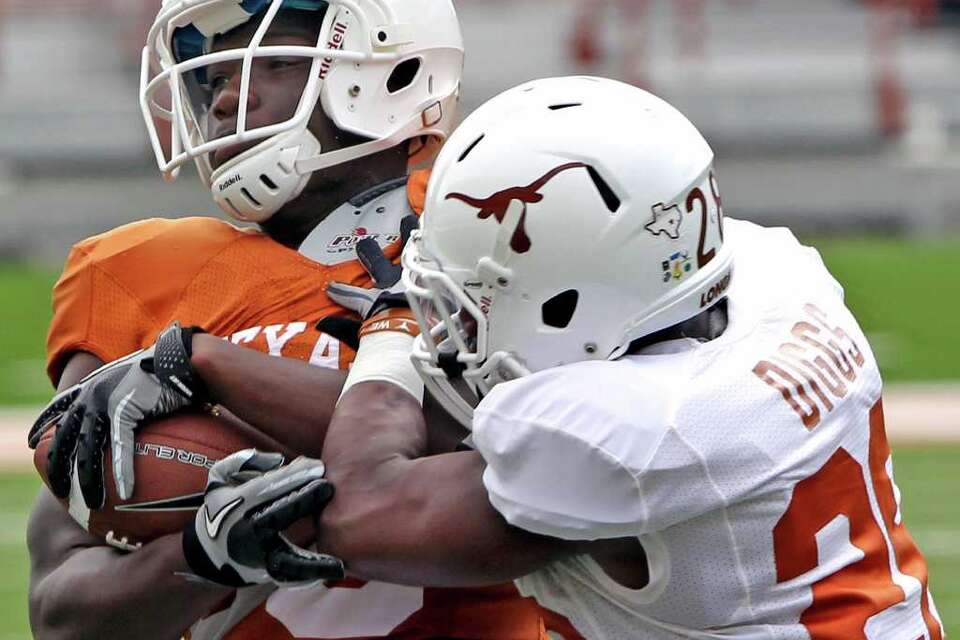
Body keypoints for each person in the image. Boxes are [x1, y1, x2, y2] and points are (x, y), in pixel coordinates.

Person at [189, 76, 946, 638]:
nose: (441, 321)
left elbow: (363, 509)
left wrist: (390, 335)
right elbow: (459, 429)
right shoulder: (778, 276)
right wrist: (206, 364)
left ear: (570, 299)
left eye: (469, 294)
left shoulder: (632, 434)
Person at [26, 1, 573, 638]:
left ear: (386, 73)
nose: (227, 101)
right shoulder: (140, 273)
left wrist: (217, 367)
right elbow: (61, 614)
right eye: (218, 79)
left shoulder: (498, 230)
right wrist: (202, 556)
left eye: (275, 61)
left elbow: (551, 462)